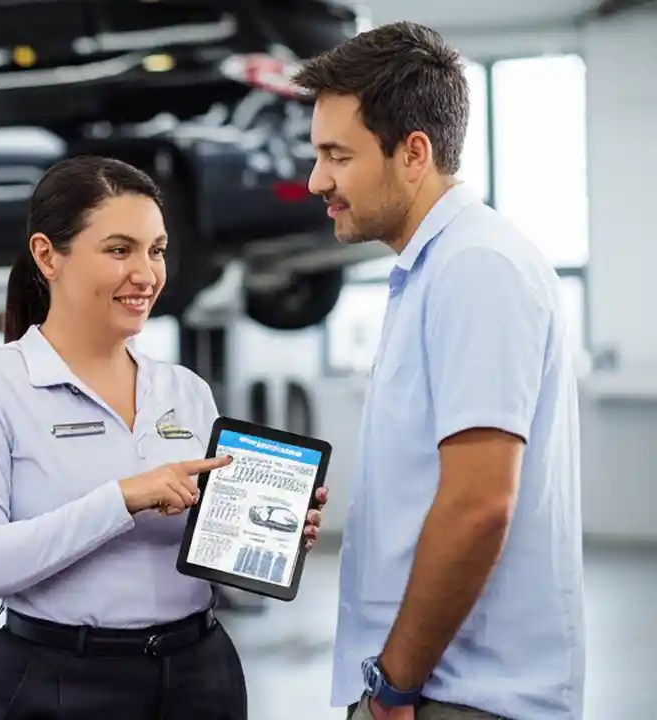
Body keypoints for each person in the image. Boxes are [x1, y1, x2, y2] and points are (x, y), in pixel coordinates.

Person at [0, 155, 328, 720]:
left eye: (157, 250)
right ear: (48, 256)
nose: (146, 273)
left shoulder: (184, 390)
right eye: (120, 250)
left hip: (200, 674)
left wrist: (266, 527)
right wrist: (122, 499)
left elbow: (196, 536)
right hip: (59, 683)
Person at [293, 22, 585, 720]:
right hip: (438, 689)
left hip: (461, 698)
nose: (317, 181)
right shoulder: (432, 271)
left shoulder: (474, 267)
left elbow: (481, 503)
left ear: (414, 153)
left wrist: (394, 686)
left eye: (338, 156)